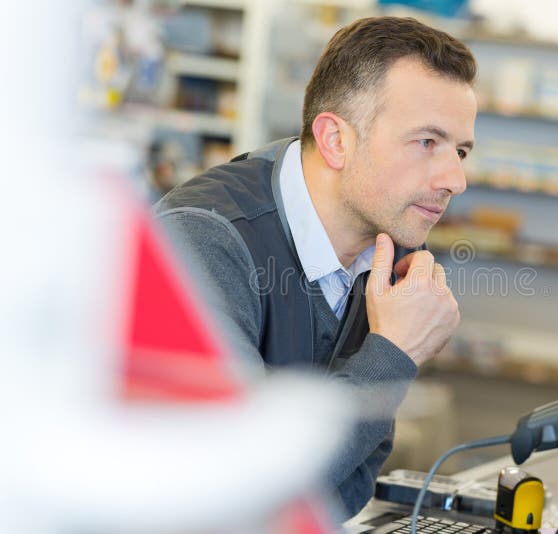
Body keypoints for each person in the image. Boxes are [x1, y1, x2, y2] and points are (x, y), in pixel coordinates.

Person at [154, 16, 477, 517]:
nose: (455, 178)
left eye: (460, 150)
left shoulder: (381, 251)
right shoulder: (203, 241)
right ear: (335, 140)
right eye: (427, 143)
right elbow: (239, 494)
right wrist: (395, 351)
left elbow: (356, 478)